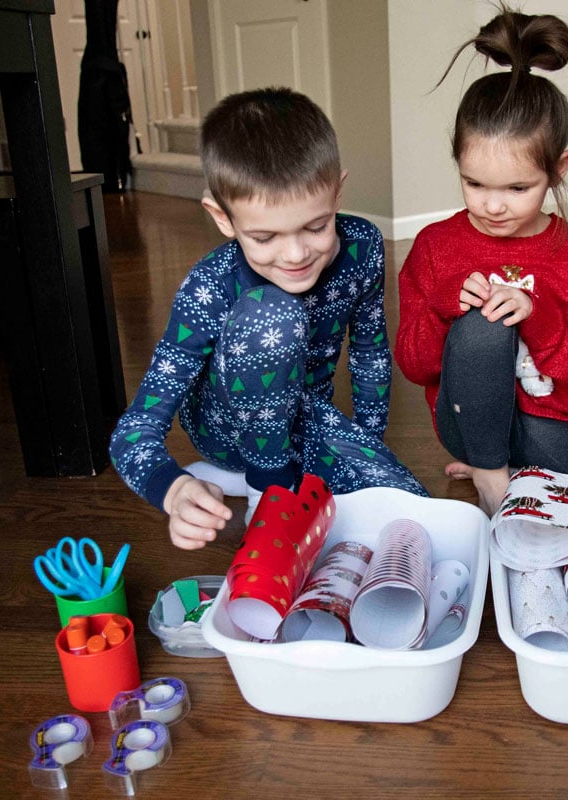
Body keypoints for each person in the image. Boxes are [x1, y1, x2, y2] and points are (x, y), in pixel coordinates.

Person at [111, 87, 426, 550]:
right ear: (222, 218)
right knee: (270, 312)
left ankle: (257, 476)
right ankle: (263, 488)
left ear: (337, 191)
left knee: (409, 512)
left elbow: (369, 350)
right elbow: (133, 430)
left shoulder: (364, 247)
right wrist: (172, 488)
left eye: (316, 226)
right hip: (225, 428)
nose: (296, 254)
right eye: (263, 237)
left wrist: (366, 440)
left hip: (304, 417)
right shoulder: (210, 286)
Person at [395, 7, 568, 517]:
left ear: (558, 167)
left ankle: (511, 465)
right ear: (457, 160)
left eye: (518, 188)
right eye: (474, 183)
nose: (493, 205)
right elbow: (414, 364)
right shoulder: (435, 246)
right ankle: (489, 471)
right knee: (484, 322)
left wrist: (539, 315)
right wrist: (445, 307)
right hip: (463, 421)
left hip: (548, 421)